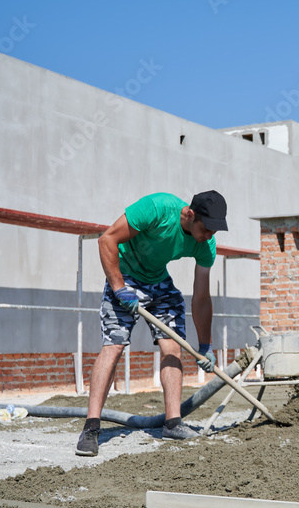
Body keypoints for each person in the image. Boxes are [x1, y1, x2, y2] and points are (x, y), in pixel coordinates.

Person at [75, 190, 227, 457]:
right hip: (125, 276)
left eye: (215, 231)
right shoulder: (157, 208)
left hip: (159, 282)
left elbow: (202, 297)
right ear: (190, 215)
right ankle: (91, 428)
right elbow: (106, 240)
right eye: (206, 229)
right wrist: (119, 287)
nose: (209, 236)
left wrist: (205, 344)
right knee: (115, 346)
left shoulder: (206, 245)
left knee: (174, 346)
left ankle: (172, 423)